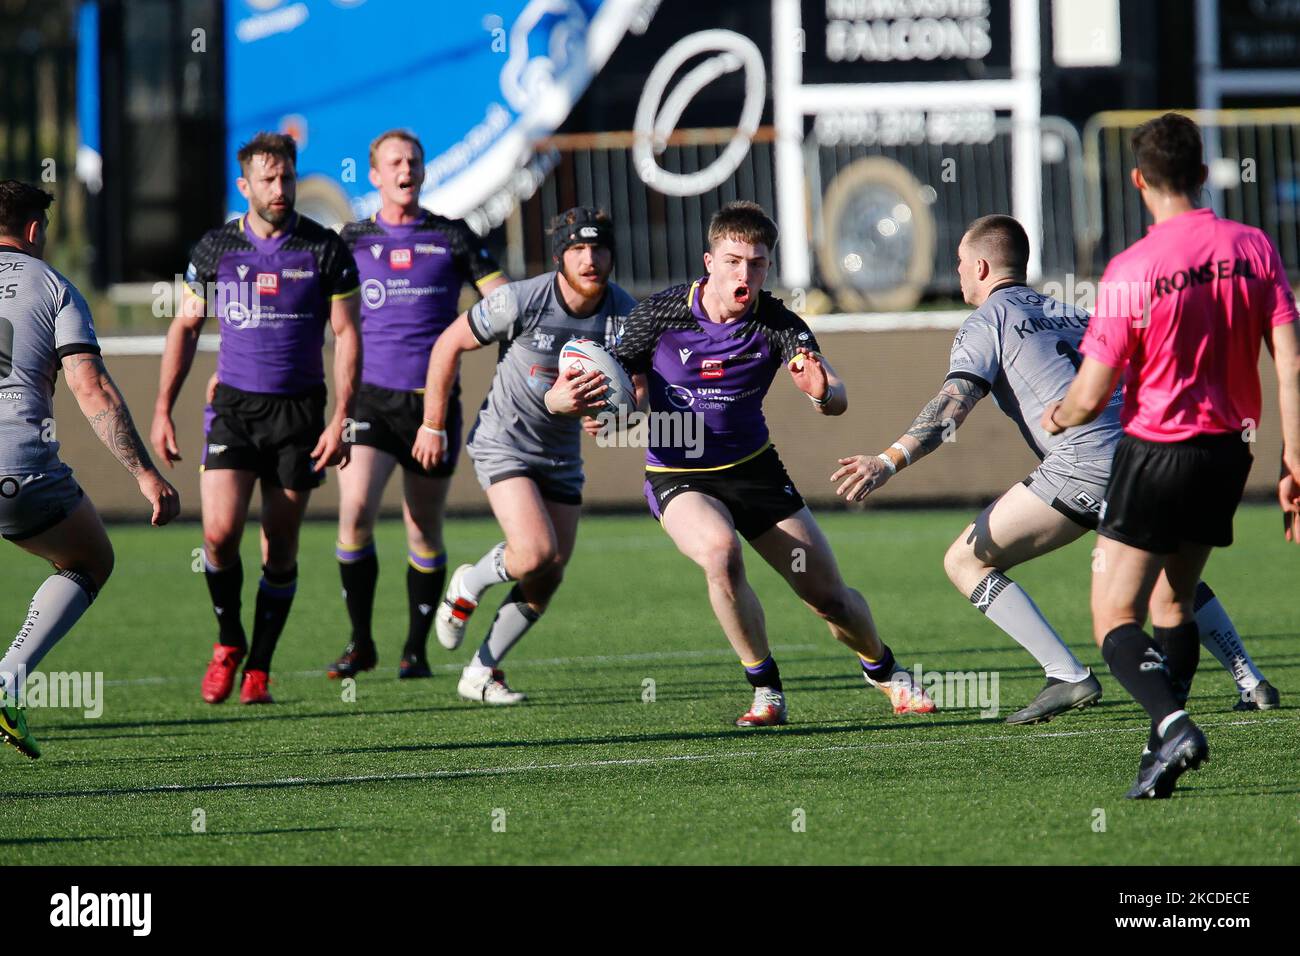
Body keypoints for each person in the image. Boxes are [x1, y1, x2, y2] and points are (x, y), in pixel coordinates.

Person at [832, 214, 1280, 722]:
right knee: (1166, 573)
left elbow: (953, 404)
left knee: (964, 561)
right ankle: (1252, 679)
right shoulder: (1074, 312)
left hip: (1081, 466)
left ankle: (1067, 675)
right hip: (1147, 455)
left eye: (959, 263)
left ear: (979, 266)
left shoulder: (986, 322)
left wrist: (889, 460)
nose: (957, 273)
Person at [1044, 113, 1300, 797]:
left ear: (1139, 181)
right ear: (1205, 173)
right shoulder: (1255, 248)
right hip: (1229, 454)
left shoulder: (1132, 269)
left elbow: (1093, 395)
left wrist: (1060, 412)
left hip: (1158, 451)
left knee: (1113, 617)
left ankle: (1175, 722)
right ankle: (1161, 751)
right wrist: (1294, 460)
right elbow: (1291, 364)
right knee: (1174, 602)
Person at [612, 200, 933, 727]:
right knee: (720, 554)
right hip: (678, 473)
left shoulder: (778, 323)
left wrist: (822, 392)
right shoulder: (657, 315)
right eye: (734, 261)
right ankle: (766, 690)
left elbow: (837, 397)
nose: (746, 274)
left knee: (828, 599)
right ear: (709, 261)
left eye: (757, 263)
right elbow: (611, 393)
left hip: (754, 473)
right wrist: (579, 401)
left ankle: (885, 670)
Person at [151, 132, 361, 706]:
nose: (280, 188)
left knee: (280, 548)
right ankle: (228, 642)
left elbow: (346, 335)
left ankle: (260, 668)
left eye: (287, 177)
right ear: (245, 186)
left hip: (299, 413)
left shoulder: (324, 249)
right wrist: (163, 409)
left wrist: (341, 416)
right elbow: (186, 328)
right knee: (218, 535)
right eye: (268, 180)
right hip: (235, 409)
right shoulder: (215, 249)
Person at [412, 207, 636, 703]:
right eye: (577, 249)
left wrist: (619, 416)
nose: (590, 258)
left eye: (599, 248)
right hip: (504, 442)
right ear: (560, 257)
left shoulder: (624, 314)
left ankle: (480, 674)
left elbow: (637, 388)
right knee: (534, 552)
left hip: (561, 456)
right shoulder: (520, 300)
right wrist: (432, 424)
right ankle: (469, 581)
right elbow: (446, 346)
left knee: (549, 574)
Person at [0, 180, 179, 758]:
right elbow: (91, 387)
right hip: (16, 470)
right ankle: (8, 679)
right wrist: (145, 474)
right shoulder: (52, 286)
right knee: (90, 558)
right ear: (33, 230)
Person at [329, 129, 507, 681]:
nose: (406, 169)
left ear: (424, 172)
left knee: (423, 527)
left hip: (433, 405)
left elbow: (504, 303)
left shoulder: (451, 235)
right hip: (370, 402)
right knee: (354, 510)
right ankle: (361, 641)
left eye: (414, 160)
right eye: (394, 162)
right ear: (375, 175)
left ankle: (415, 649)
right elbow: (315, 312)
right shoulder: (351, 239)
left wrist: (520, 365)